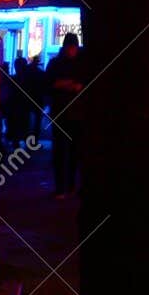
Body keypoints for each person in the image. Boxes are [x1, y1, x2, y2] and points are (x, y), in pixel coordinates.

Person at [45, 35, 86, 197]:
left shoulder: (57, 64)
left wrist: (63, 84)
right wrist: (72, 84)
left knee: (71, 152)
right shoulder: (64, 64)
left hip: (69, 112)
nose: (71, 51)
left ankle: (67, 186)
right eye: (70, 47)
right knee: (64, 152)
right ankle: (65, 187)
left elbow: (52, 83)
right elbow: (50, 84)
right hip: (67, 113)